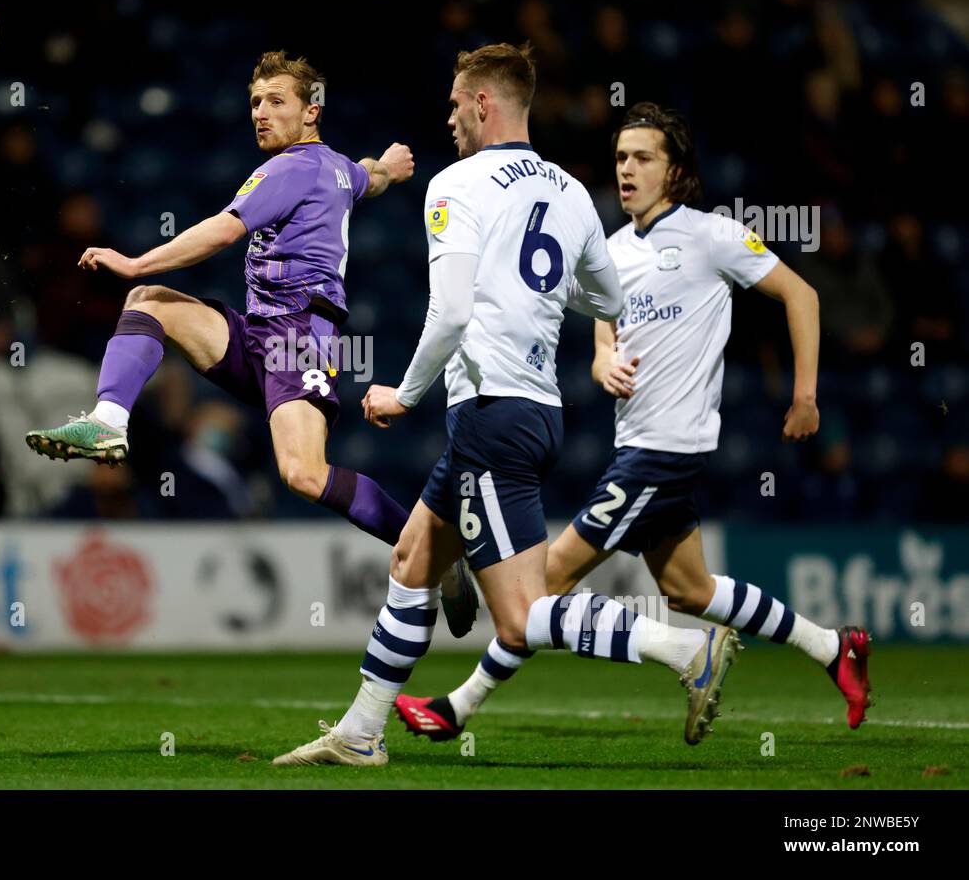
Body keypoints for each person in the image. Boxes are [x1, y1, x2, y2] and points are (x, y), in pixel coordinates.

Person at [273, 45, 736, 768]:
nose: (450, 115)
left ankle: (684, 646)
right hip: (536, 410)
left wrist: (406, 392)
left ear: (485, 103)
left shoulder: (457, 183)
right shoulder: (572, 191)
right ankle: (361, 733)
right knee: (411, 559)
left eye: (457, 103)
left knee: (521, 617)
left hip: (491, 415)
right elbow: (610, 300)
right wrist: (540, 294)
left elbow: (453, 312)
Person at [396, 103, 871, 749]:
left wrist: (806, 395)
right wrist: (601, 358)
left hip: (664, 451)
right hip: (639, 445)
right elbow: (601, 329)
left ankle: (459, 705)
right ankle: (834, 646)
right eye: (621, 157)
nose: (627, 170)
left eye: (643, 158)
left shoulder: (712, 236)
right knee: (688, 588)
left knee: (543, 590)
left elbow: (802, 295)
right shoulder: (612, 251)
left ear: (675, 171)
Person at [25, 50, 419, 548]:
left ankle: (420, 544)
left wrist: (134, 262)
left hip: (298, 343)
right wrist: (386, 166)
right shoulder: (337, 168)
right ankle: (108, 422)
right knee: (148, 302)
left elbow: (221, 231)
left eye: (277, 101)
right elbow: (369, 176)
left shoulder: (290, 168)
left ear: (311, 111)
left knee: (302, 474)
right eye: (256, 101)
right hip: (259, 332)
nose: (260, 112)